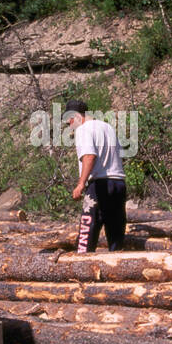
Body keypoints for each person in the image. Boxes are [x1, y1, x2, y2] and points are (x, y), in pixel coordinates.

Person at [63, 98, 126, 252]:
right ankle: (117, 268)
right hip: (118, 183)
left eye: (69, 120)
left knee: (87, 232)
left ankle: (82, 269)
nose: (68, 124)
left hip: (99, 185)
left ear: (77, 116)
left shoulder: (83, 129)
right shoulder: (108, 127)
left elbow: (89, 156)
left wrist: (81, 184)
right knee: (115, 235)